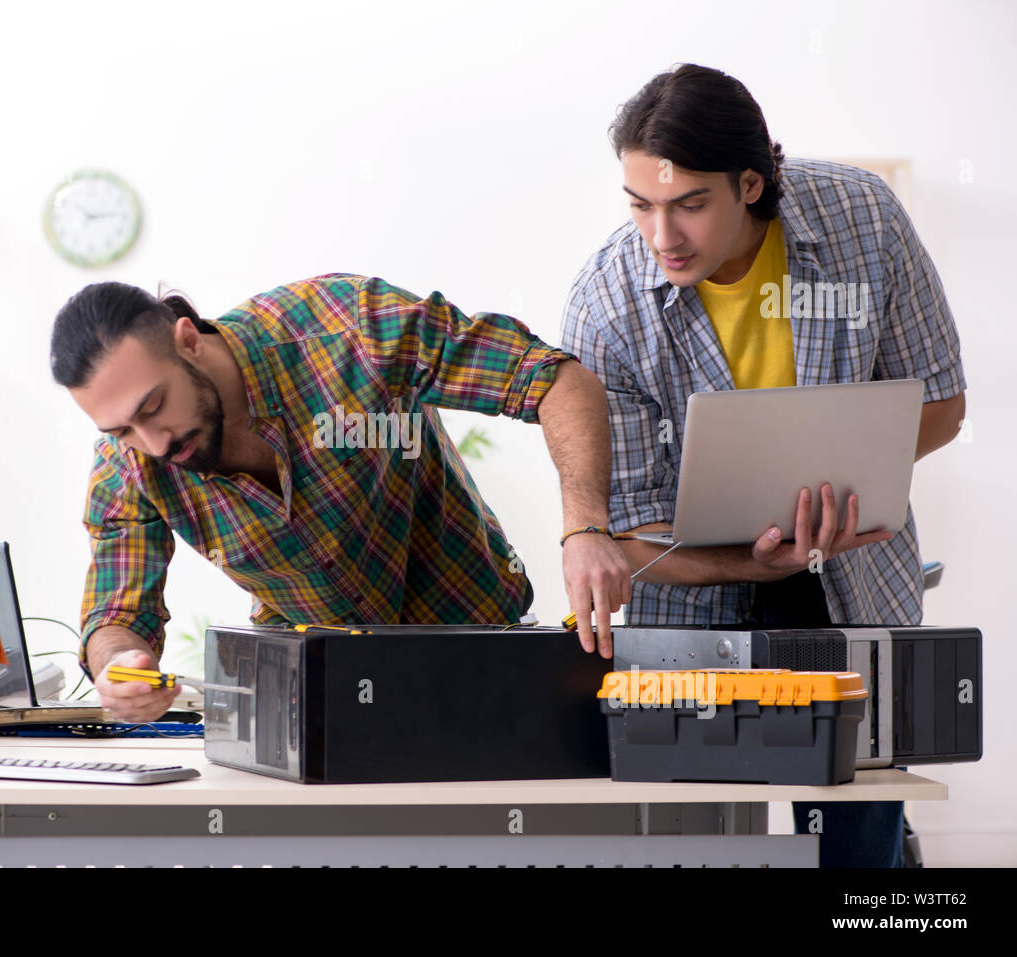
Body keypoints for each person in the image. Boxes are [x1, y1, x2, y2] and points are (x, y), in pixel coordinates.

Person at [560, 64, 966, 867]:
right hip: (690, 608)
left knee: (856, 851)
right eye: (641, 205)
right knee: (697, 849)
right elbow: (630, 533)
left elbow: (942, 405)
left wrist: (828, 496)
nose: (662, 237)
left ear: (752, 182)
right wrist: (752, 554)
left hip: (854, 578)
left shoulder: (862, 220)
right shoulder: (607, 304)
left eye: (690, 205)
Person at [50, 273, 631, 721]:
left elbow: (552, 379)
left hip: (476, 652)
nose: (153, 443)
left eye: (153, 407)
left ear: (187, 342)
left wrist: (586, 529)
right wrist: (121, 666)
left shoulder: (347, 330)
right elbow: (116, 616)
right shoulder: (128, 466)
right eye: (121, 430)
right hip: (315, 695)